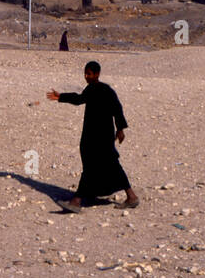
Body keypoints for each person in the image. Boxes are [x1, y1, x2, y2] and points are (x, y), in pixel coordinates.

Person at [46, 60, 139, 212]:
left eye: (89, 74)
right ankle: (131, 196)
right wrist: (120, 129)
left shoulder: (98, 90)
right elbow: (116, 108)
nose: (86, 76)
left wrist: (120, 129)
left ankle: (76, 202)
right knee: (111, 165)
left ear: (97, 74)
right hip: (103, 136)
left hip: (95, 137)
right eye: (85, 73)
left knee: (91, 166)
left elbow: (82, 100)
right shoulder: (100, 89)